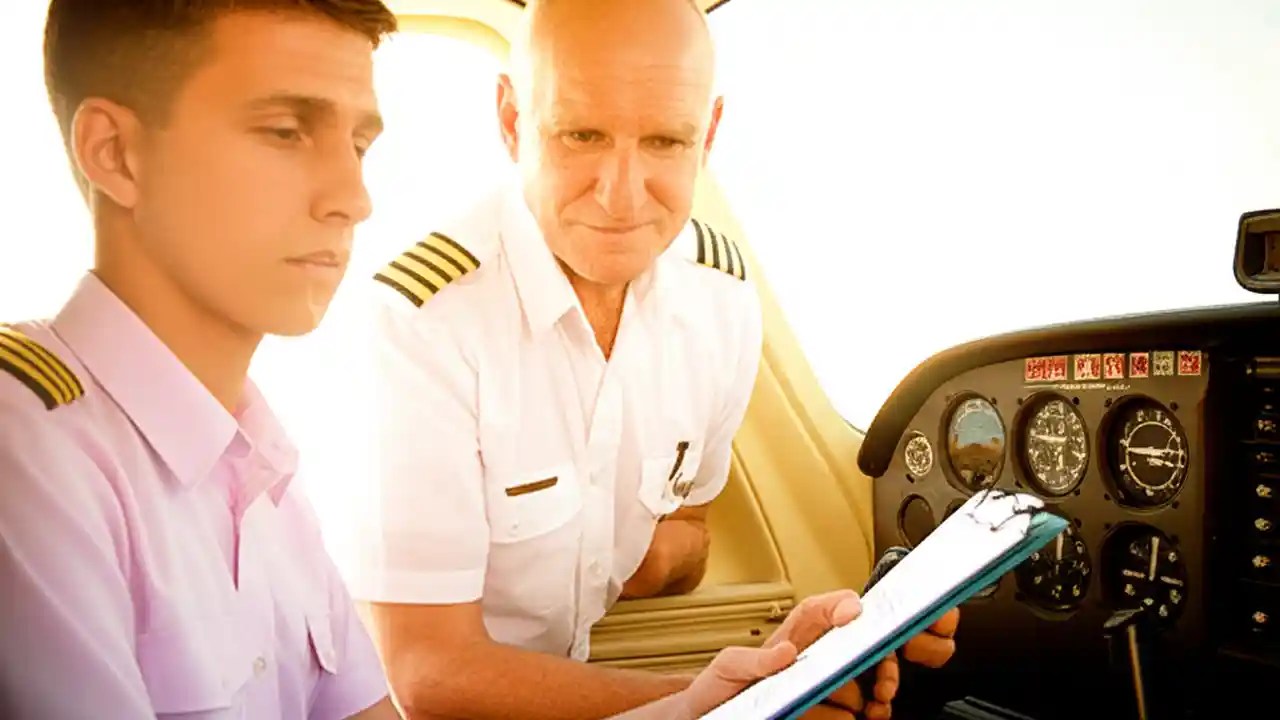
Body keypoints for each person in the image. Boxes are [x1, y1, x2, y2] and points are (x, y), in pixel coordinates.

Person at [0, 2, 914, 718]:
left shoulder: (257, 460)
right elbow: (429, 682)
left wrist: (729, 693)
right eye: (285, 131)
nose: (355, 197)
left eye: (359, 142)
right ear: (115, 153)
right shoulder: (30, 458)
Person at [351, 0, 959, 718]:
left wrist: (796, 658)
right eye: (581, 134)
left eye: (666, 141)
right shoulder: (424, 319)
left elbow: (686, 529)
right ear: (513, 122)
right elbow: (429, 675)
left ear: (710, 134)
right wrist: (734, 696)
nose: (621, 195)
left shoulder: (721, 300)